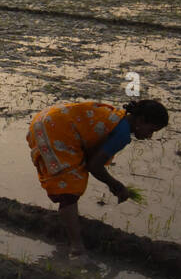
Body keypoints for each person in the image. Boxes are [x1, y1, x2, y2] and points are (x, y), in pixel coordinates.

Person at [26, 99, 168, 257]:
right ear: (140, 120)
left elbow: (91, 156)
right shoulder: (121, 133)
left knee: (71, 180)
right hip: (55, 130)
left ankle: (67, 224)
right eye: (151, 130)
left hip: (46, 119)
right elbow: (94, 166)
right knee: (69, 191)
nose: (150, 136)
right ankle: (77, 247)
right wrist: (116, 185)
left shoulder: (116, 119)